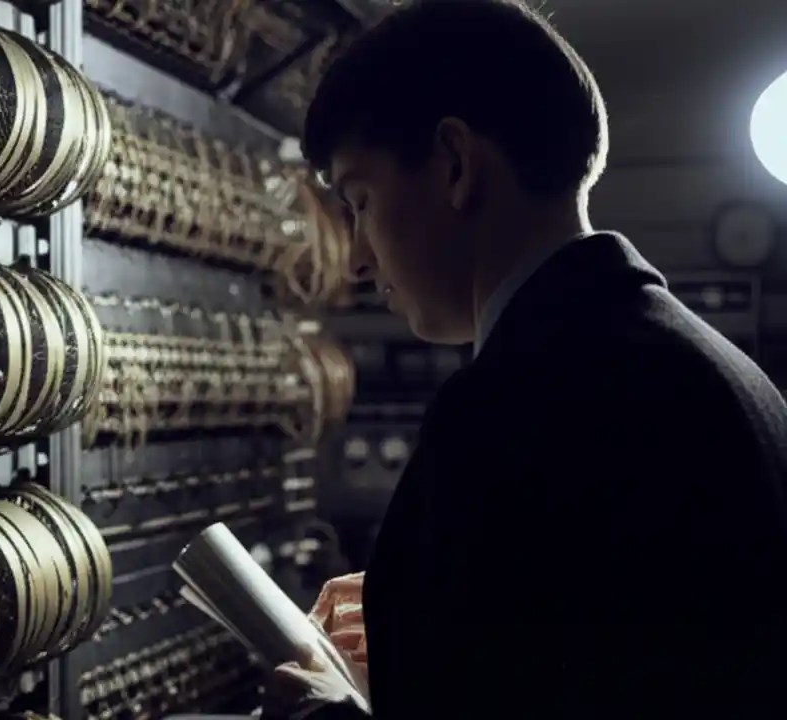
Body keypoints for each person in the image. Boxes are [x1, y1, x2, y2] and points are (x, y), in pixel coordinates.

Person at [264, 1, 787, 718]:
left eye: (360, 201)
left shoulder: (508, 406)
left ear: (454, 164)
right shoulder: (715, 368)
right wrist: (420, 613)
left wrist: (332, 709)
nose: (355, 258)